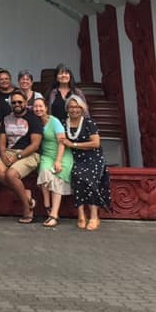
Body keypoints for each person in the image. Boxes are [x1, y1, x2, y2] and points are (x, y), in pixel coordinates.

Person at [0, 90, 43, 223]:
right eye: (14, 102)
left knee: (11, 175)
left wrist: (18, 156)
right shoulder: (7, 119)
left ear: (25, 102)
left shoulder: (34, 119)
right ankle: (26, 194)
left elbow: (35, 145)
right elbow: (2, 141)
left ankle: (27, 208)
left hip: (29, 153)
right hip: (10, 151)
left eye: (20, 102)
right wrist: (3, 154)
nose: (17, 104)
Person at [61, 96, 111, 230]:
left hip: (93, 157)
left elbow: (96, 143)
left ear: (82, 109)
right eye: (71, 107)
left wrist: (74, 144)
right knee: (76, 175)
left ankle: (94, 216)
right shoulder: (63, 123)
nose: (74, 110)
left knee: (88, 177)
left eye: (77, 107)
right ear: (67, 109)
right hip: (75, 158)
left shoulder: (89, 123)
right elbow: (61, 142)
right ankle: (81, 215)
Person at [33, 97, 73, 228]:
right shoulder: (35, 122)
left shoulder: (54, 121)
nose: (38, 109)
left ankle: (53, 215)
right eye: (36, 107)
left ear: (46, 108)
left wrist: (58, 160)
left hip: (61, 154)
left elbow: (62, 141)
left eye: (41, 106)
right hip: (46, 155)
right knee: (44, 173)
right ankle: (47, 206)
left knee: (56, 177)